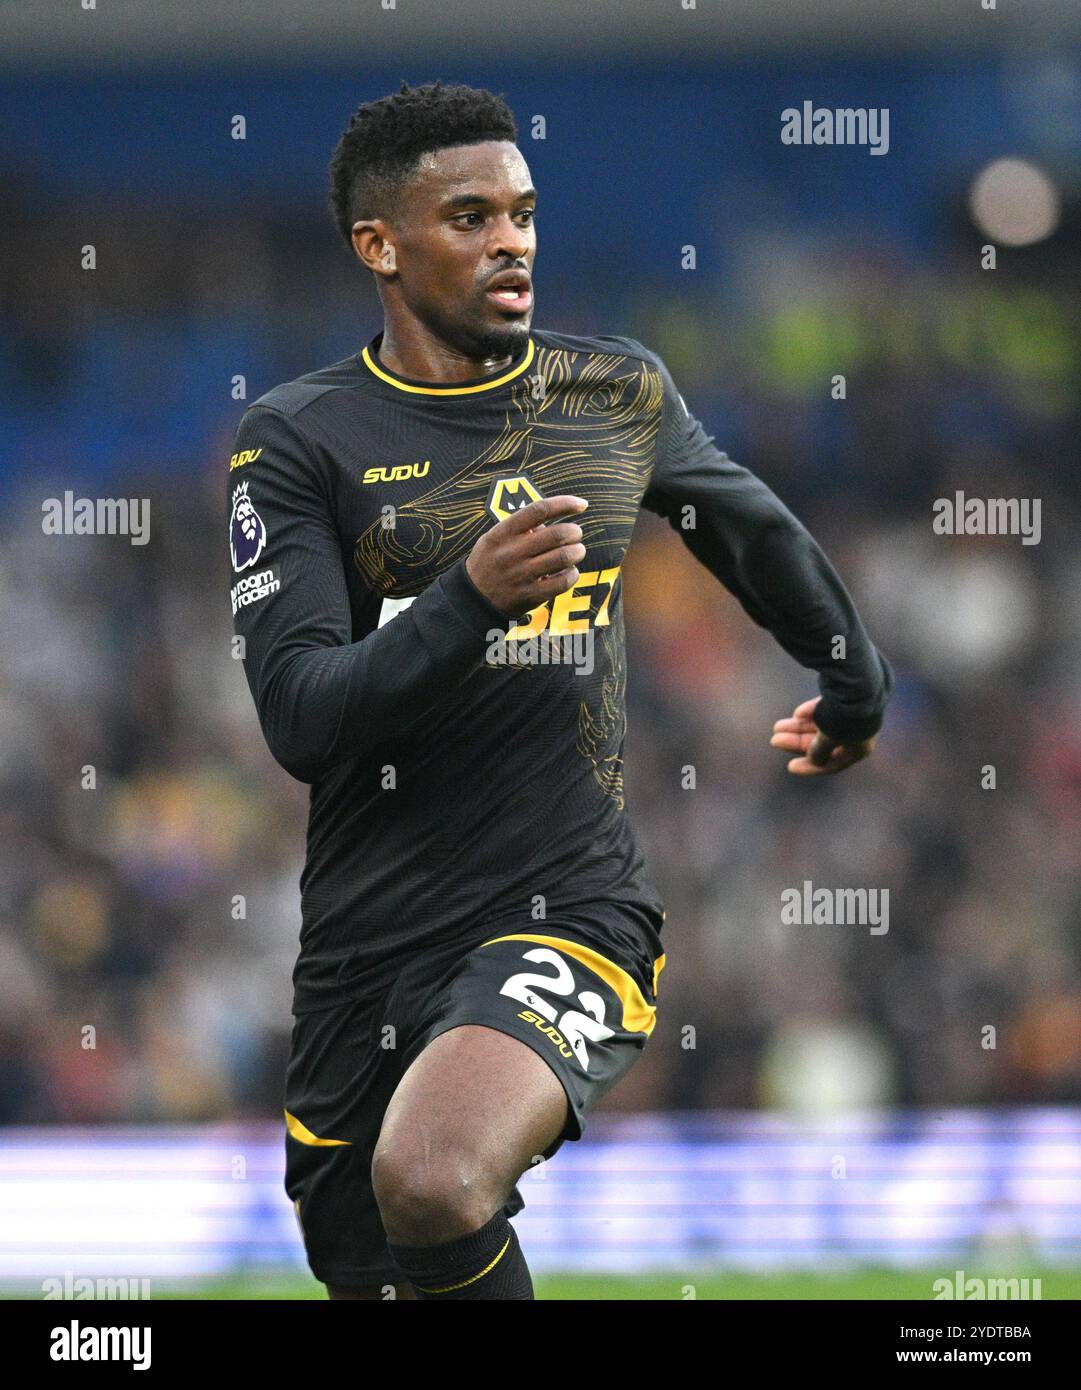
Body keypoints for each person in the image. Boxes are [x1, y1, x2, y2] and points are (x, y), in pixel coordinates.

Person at [226, 80, 893, 1300]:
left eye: (522, 213)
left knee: (432, 1173)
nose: (512, 242)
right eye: (469, 217)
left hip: (567, 909)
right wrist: (467, 600)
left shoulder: (610, 394)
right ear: (379, 244)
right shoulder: (296, 442)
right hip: (364, 953)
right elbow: (302, 717)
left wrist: (853, 680)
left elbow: (752, 536)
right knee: (383, 1243)